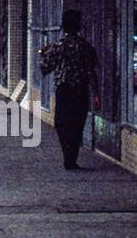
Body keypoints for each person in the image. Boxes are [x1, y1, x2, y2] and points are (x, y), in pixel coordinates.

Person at [38, 9, 102, 170]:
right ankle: (72, 157)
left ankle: (67, 155)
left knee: (62, 124)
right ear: (79, 26)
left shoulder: (58, 46)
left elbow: (45, 68)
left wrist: (42, 54)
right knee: (77, 123)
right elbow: (92, 71)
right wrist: (96, 94)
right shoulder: (85, 47)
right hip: (80, 90)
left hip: (64, 90)